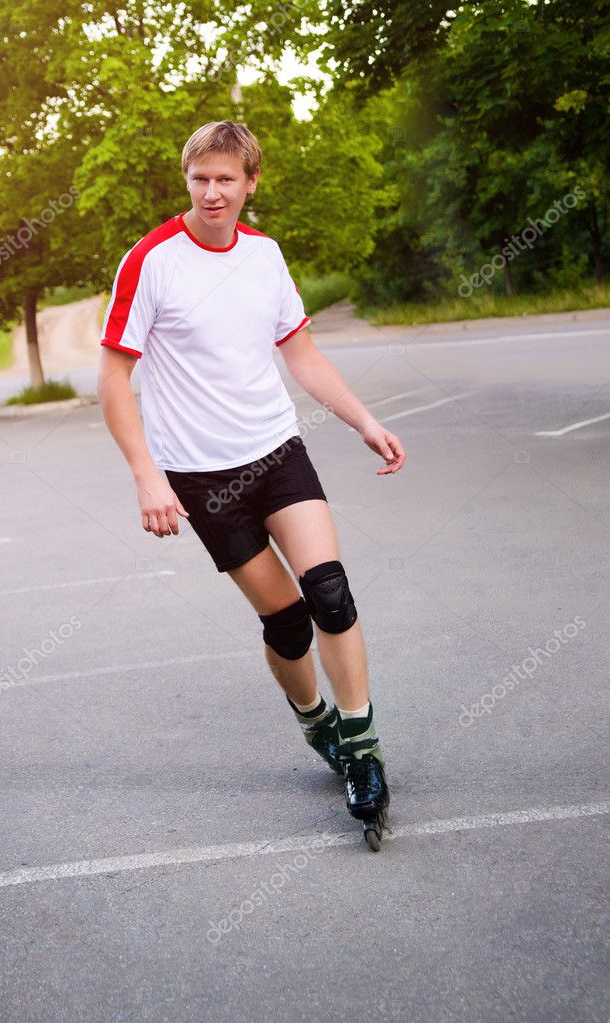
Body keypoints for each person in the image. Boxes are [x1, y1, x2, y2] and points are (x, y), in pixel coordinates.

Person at [97, 120, 406, 848]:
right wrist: (147, 477)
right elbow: (113, 378)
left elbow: (299, 351)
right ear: (187, 179)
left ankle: (361, 750)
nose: (211, 191)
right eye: (199, 178)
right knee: (287, 622)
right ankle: (314, 722)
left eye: (225, 179)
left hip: (275, 451)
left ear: (249, 183)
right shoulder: (150, 260)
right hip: (200, 475)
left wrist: (362, 418)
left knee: (329, 591)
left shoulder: (264, 256)